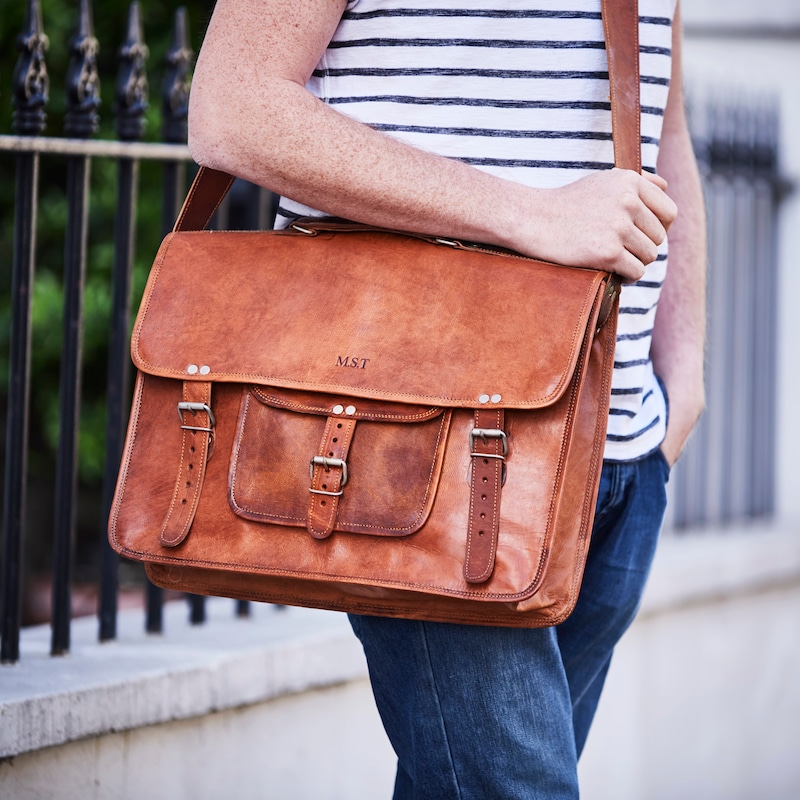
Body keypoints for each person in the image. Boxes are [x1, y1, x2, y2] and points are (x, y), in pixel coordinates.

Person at [188, 1, 706, 796]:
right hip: (430, 449)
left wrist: (686, 374)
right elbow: (233, 107)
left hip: (623, 457)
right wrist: (529, 214)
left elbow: (666, 125)